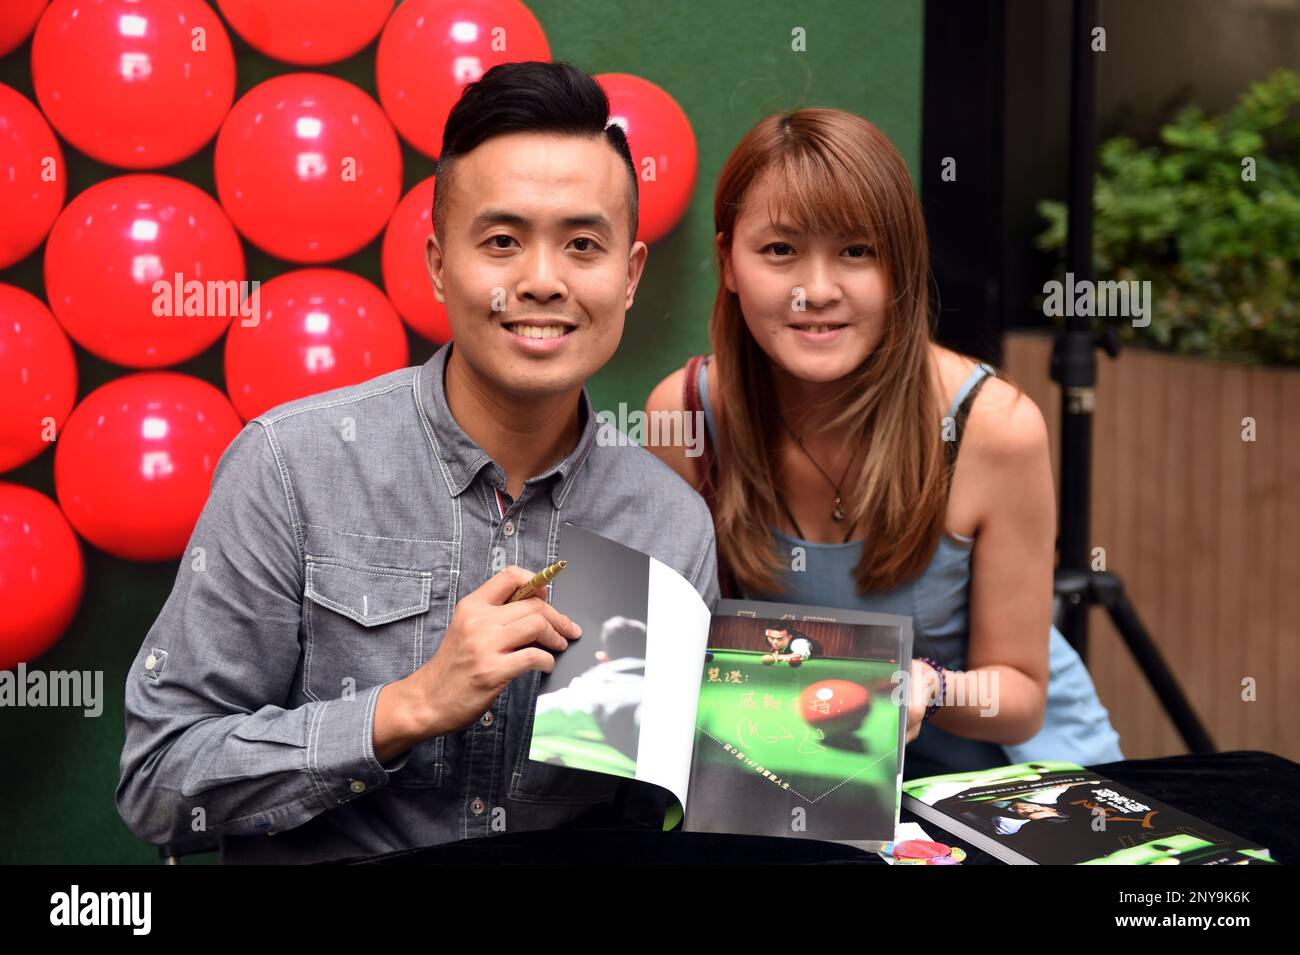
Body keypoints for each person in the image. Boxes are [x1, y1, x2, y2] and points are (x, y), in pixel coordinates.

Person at [116, 61, 719, 864]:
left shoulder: (668, 524)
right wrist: (404, 708)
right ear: (439, 263)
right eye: (502, 242)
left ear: (631, 275)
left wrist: (820, 731)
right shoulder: (290, 468)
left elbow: (672, 816)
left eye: (583, 244)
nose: (542, 281)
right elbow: (158, 784)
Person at [645, 107, 1122, 779]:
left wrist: (931, 685)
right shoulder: (686, 415)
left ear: (900, 266)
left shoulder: (994, 425)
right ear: (728, 262)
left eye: (856, 251)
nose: (816, 290)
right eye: (779, 251)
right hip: (810, 776)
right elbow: (675, 659)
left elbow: (1020, 697)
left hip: (1001, 776)